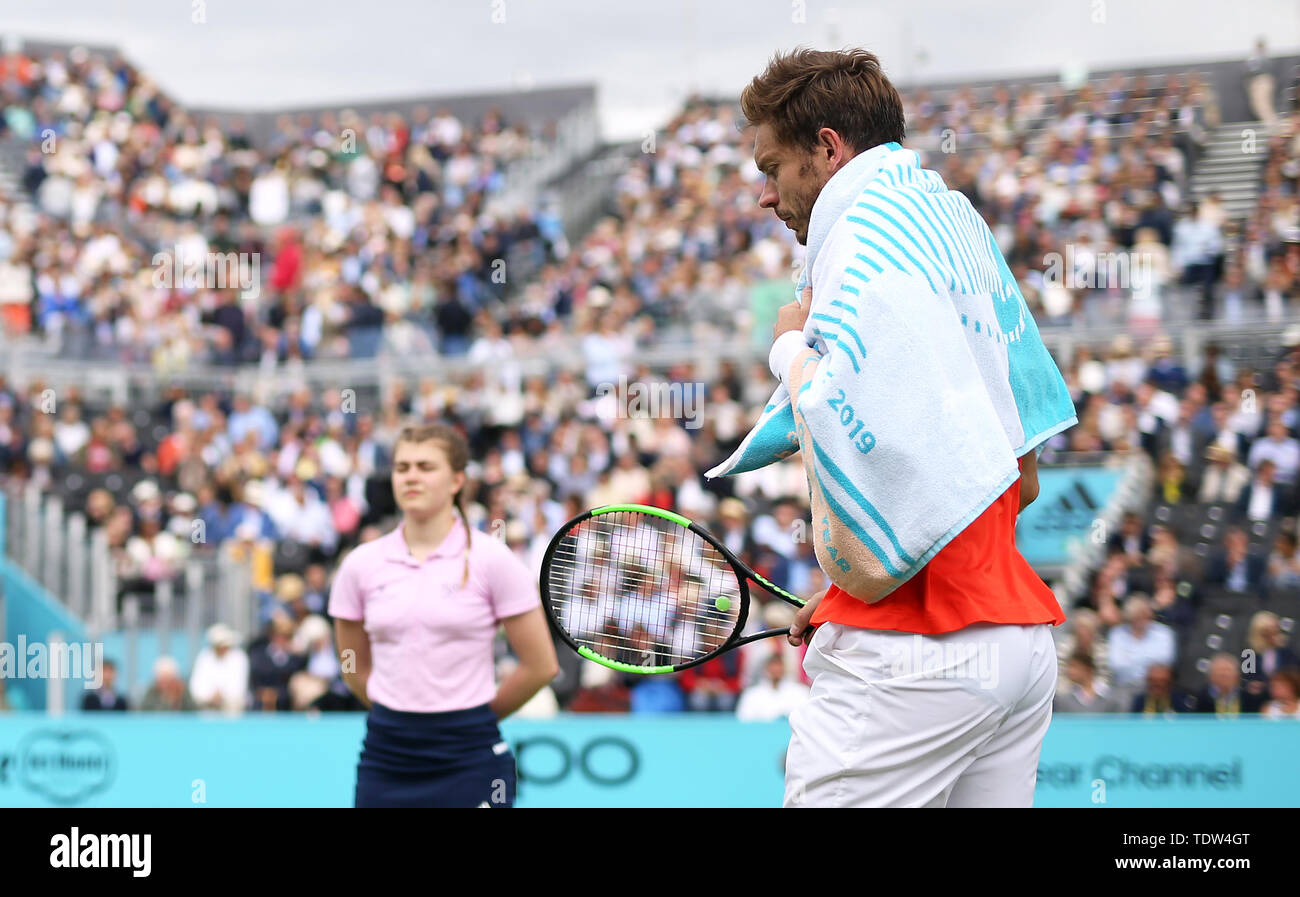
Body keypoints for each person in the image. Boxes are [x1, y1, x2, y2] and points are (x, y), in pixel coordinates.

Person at [746, 48, 1071, 807]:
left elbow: (831, 407)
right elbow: (1018, 478)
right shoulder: (951, 227)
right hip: (1017, 645)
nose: (767, 196)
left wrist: (788, 345)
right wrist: (848, 588)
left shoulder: (858, 246)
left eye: (773, 167)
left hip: (916, 654)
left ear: (827, 149)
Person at [331, 423, 558, 808]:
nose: (411, 477)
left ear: (457, 480)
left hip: (471, 756)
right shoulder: (360, 564)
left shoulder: (493, 560)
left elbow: (540, 666)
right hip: (386, 755)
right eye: (402, 468)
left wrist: (473, 720)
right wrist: (397, 712)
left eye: (425, 466)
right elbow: (352, 665)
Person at [189, 623, 250, 714]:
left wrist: (222, 696)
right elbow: (196, 686)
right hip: (206, 709)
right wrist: (210, 697)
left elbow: (238, 688)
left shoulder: (239, 657)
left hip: (232, 711)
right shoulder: (205, 657)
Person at [736, 654, 810, 721]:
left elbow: (806, 717)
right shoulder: (751, 694)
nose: (776, 669)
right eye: (773, 666)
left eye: (779, 665)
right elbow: (743, 719)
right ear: (766, 668)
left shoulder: (800, 692)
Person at [1192, 652, 1266, 716]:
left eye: (1228, 670)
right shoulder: (1200, 700)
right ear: (1211, 677)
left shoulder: (1250, 698)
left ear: (1237, 675)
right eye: (1220, 672)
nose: (1224, 674)